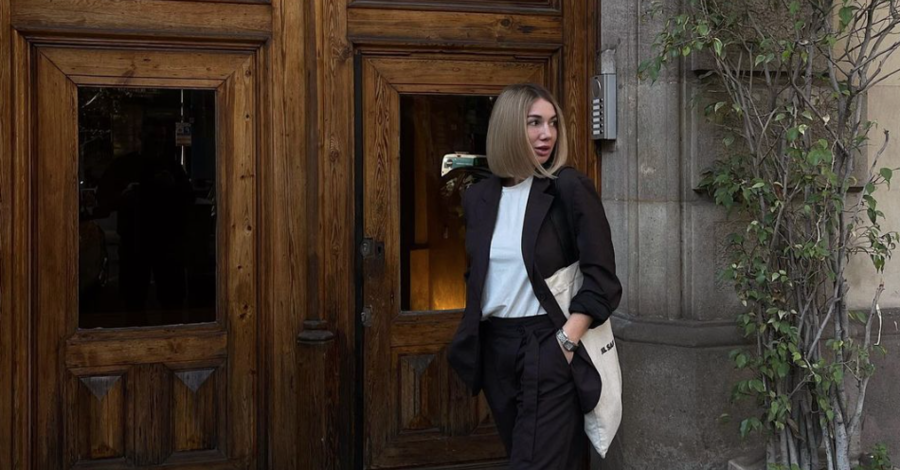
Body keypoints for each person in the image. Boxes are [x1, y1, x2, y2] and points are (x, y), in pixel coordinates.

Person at [448, 83, 622, 469]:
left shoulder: (567, 188)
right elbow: (478, 274)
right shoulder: (479, 197)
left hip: (547, 343)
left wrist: (565, 342)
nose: (547, 134)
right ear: (509, 128)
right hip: (497, 350)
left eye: (553, 123)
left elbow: (602, 277)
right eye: (534, 123)